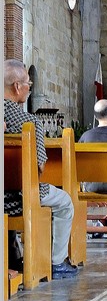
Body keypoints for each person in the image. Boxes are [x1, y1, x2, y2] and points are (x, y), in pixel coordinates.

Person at [4, 58, 77, 279]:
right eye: (28, 83)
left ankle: (14, 255)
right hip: (20, 198)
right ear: (17, 87)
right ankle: (57, 262)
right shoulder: (29, 121)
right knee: (65, 201)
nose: (29, 87)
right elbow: (39, 167)